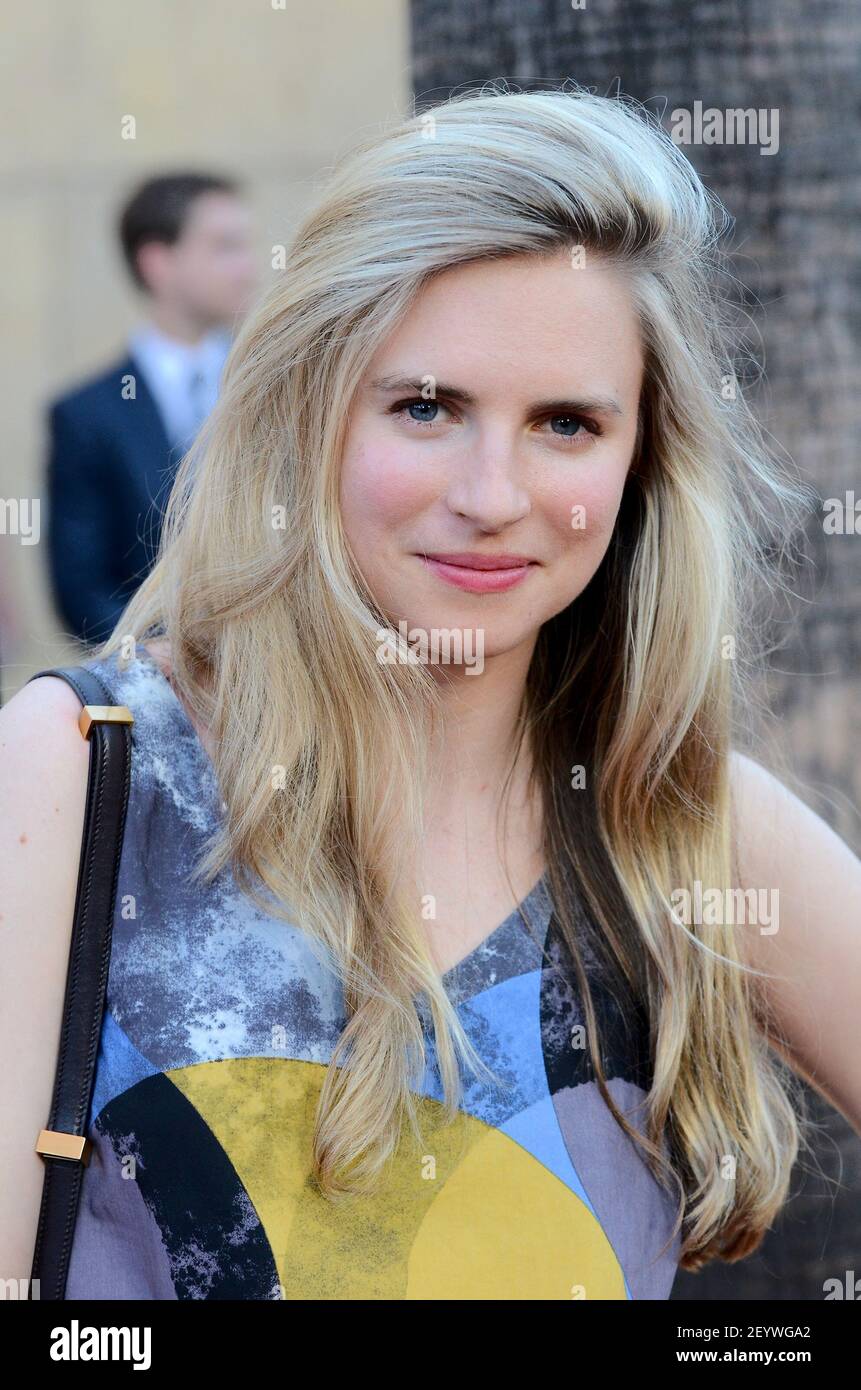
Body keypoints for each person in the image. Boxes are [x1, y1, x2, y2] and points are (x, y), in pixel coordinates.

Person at [2, 85, 860, 1300]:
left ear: (640, 463)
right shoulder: (83, 773)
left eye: (567, 423)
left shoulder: (683, 820)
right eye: (426, 406)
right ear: (311, 412)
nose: (492, 491)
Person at [45, 172, 259, 645]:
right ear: (158, 262)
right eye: (225, 247)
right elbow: (82, 593)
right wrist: (177, 661)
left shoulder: (275, 389)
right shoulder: (85, 415)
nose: (249, 268)